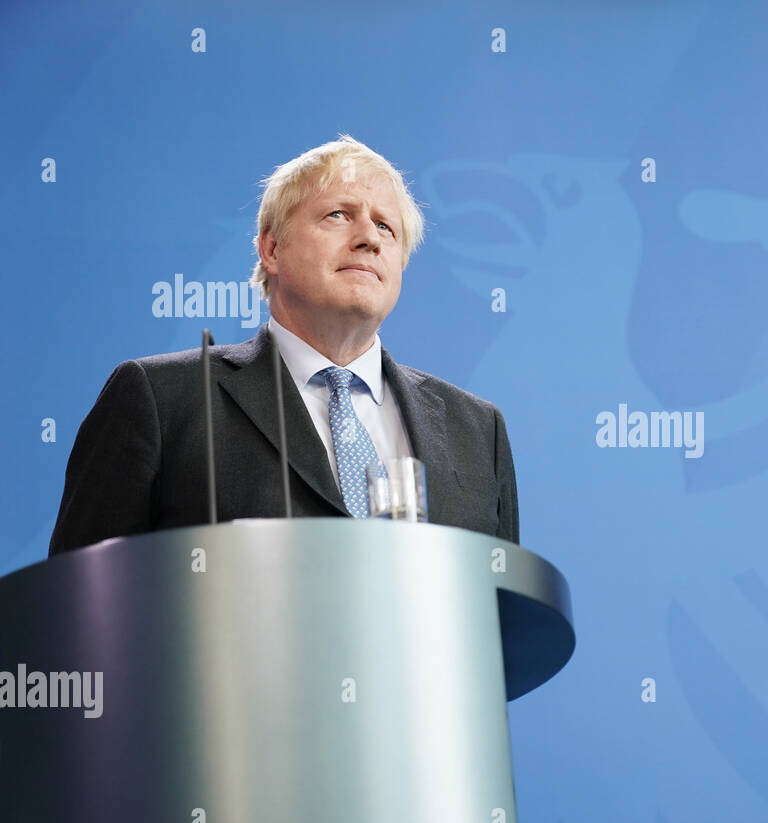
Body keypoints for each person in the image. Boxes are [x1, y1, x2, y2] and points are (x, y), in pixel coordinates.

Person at [49, 136, 517, 555]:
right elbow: (80, 609)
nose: (369, 239)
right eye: (339, 215)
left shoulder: (478, 431)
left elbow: (506, 625)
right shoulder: (161, 400)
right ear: (271, 250)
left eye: (386, 228)